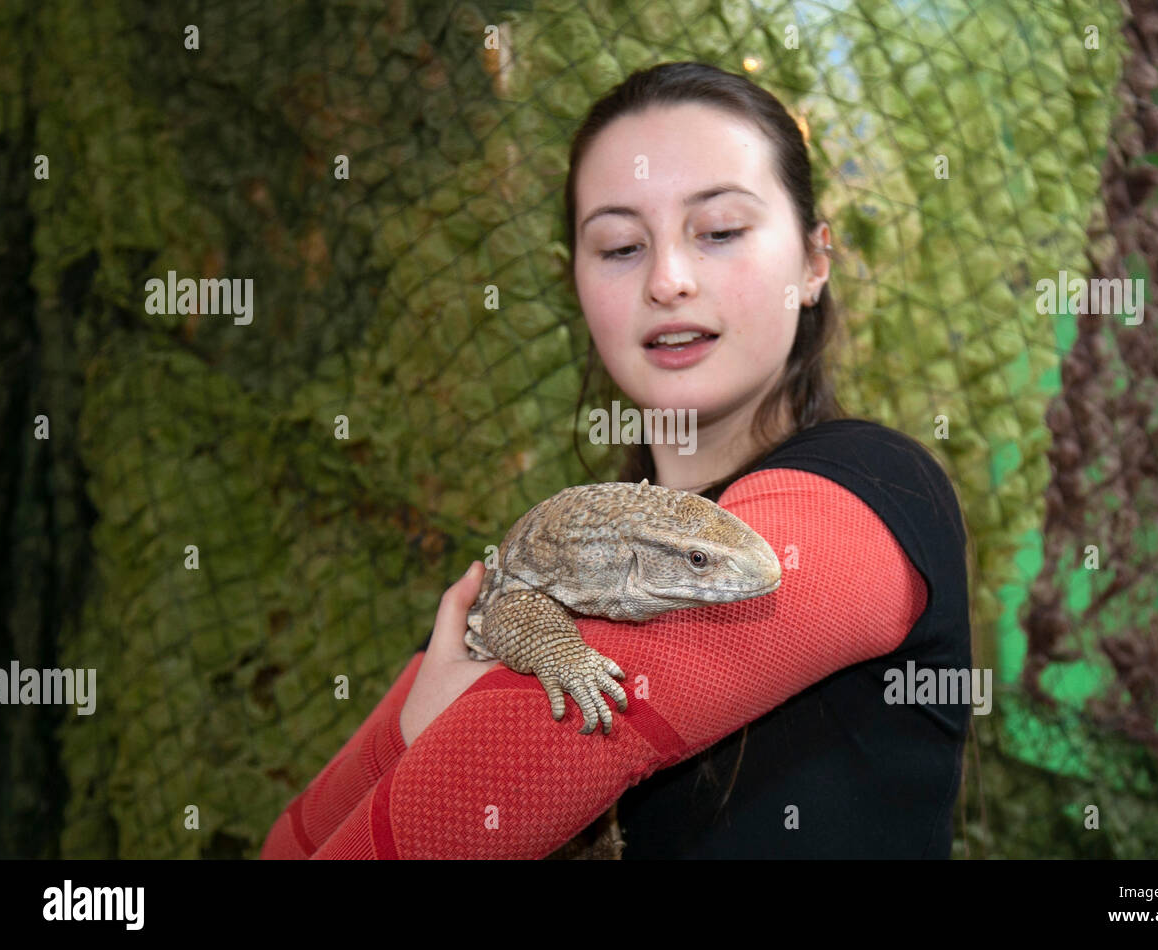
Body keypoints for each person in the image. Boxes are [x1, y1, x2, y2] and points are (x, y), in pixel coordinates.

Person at [259, 61, 972, 860]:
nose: (669, 280)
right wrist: (408, 732)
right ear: (576, 283)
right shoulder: (528, 587)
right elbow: (291, 844)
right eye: (621, 245)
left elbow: (482, 777)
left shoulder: (873, 492)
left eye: (722, 231)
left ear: (813, 262)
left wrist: (429, 735)